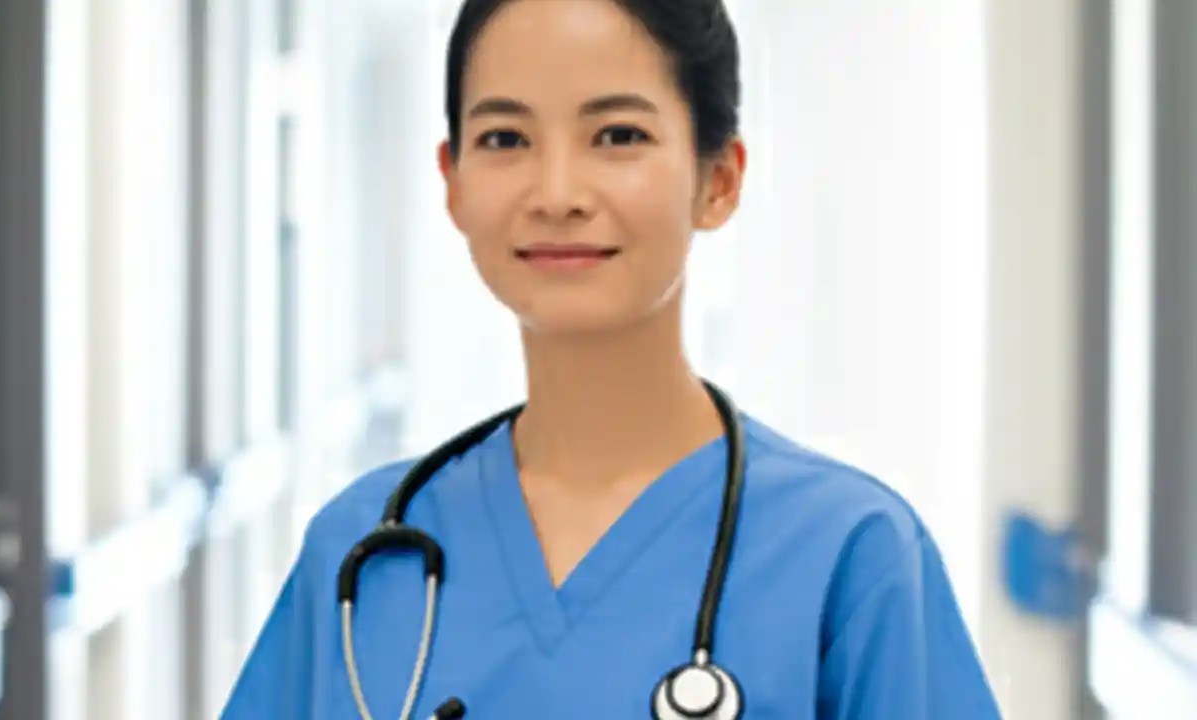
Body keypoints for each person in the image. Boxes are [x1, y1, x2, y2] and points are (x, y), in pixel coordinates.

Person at [221, 0, 1003, 718]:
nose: (557, 192)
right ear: (453, 182)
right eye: (505, 139)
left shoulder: (848, 556)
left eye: (618, 136)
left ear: (718, 180)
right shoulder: (362, 557)